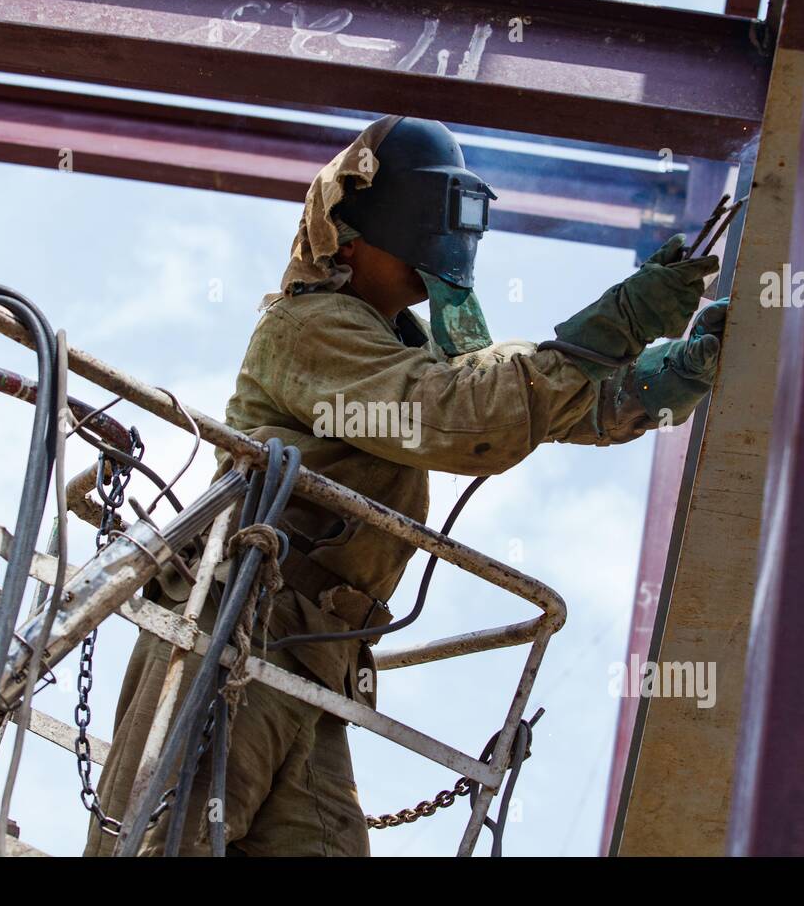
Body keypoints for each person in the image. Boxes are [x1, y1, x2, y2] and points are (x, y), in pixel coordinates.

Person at [85, 115, 726, 857]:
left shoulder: (405, 348)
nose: (447, 245)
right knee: (167, 840)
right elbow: (464, 415)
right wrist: (616, 322)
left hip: (314, 655)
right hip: (236, 629)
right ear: (355, 234)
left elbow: (531, 403)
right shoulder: (309, 327)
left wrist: (658, 382)